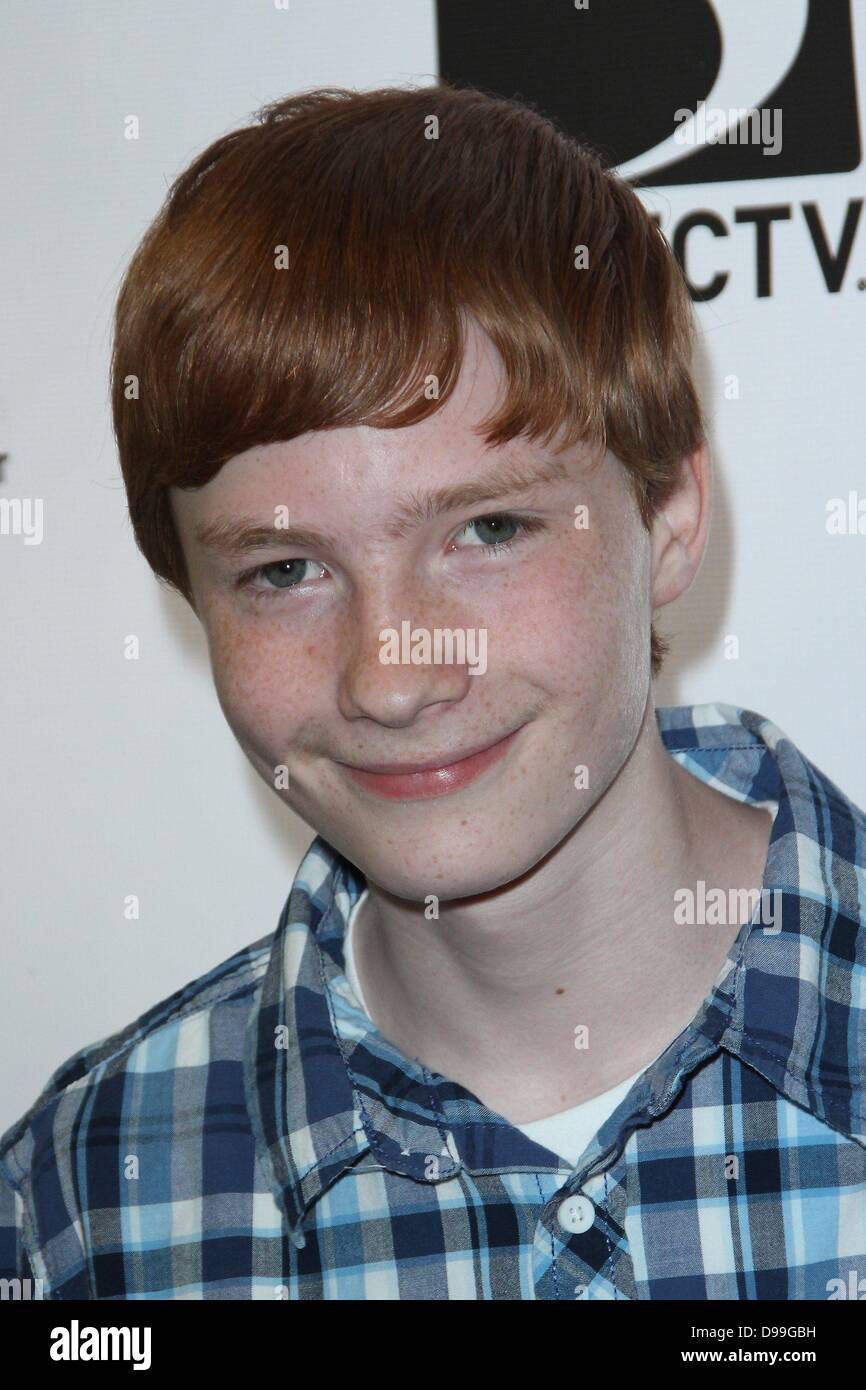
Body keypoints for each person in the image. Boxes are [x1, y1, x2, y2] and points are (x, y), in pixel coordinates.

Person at [2, 82, 864, 1301]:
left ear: (668, 513)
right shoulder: (81, 1205)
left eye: (490, 529)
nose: (389, 679)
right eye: (284, 570)